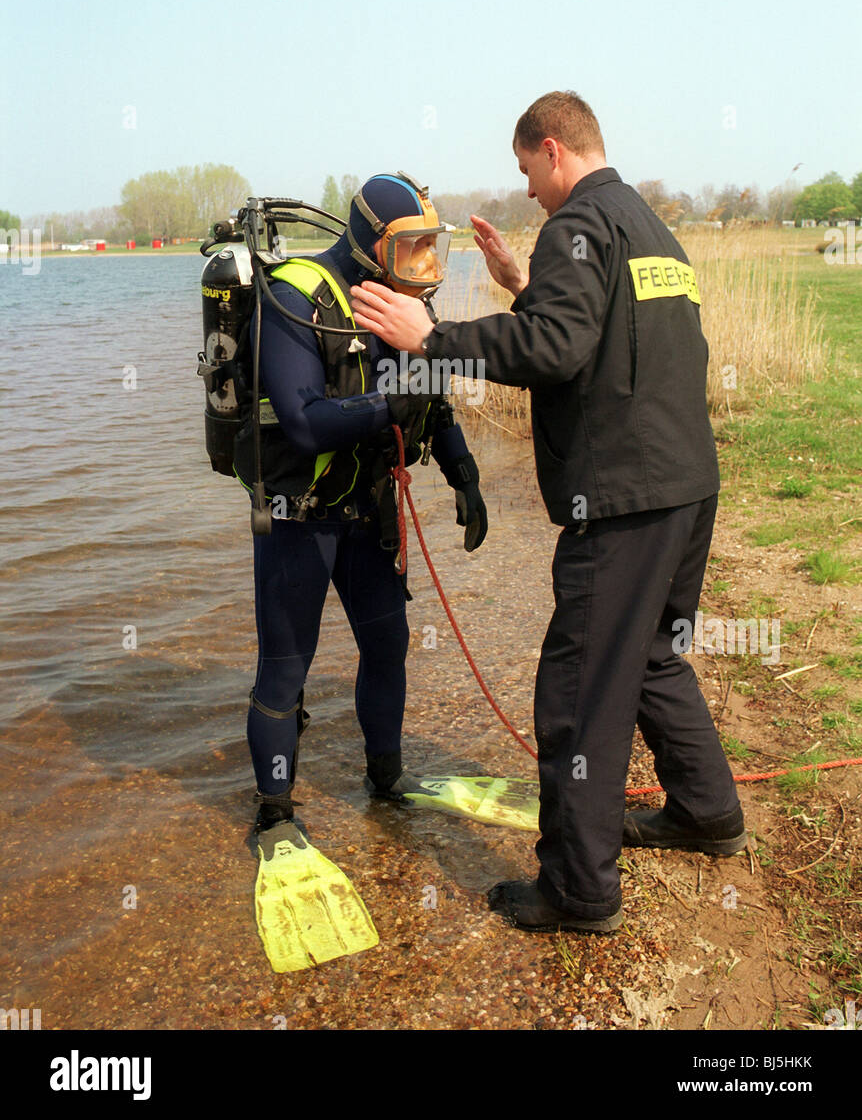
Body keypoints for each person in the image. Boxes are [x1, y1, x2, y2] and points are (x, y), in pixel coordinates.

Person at [350, 92, 746, 935]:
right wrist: (528, 287)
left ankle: (577, 890)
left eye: (528, 170)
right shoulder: (648, 229)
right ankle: (707, 811)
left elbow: (554, 351)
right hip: (687, 487)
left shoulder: (577, 228)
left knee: (581, 695)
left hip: (624, 500)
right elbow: (605, 336)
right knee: (652, 661)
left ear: (553, 149)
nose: (529, 191)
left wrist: (432, 337)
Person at [236, 172, 488, 836]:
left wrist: (465, 475)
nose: (424, 267)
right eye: (412, 249)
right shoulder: (293, 297)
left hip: (368, 513)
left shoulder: (407, 305)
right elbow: (303, 422)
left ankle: (386, 781)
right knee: (286, 669)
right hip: (300, 518)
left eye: (432, 248)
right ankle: (276, 813)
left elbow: (432, 396)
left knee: (389, 648)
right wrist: (388, 404)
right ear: (373, 241)